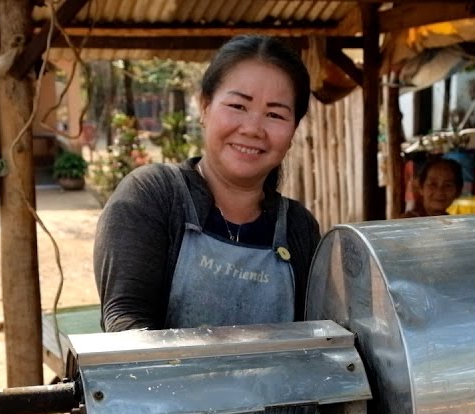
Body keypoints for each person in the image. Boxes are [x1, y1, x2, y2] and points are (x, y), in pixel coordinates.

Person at [93, 35, 320, 331]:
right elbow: (125, 319)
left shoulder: (299, 228)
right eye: (238, 106)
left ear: (293, 131)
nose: (252, 129)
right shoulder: (153, 196)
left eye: (275, 114)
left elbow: (317, 337)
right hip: (159, 378)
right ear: (204, 107)